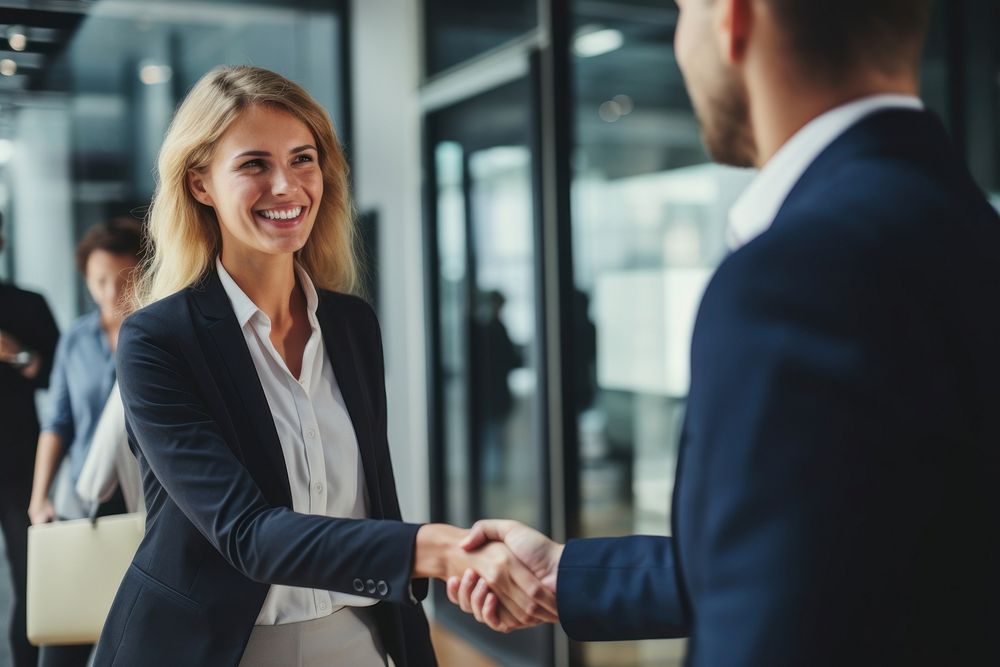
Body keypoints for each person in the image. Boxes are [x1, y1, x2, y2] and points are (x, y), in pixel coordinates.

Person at [451, 0, 1000, 664]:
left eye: (684, 8)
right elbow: (848, 556)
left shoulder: (796, 275)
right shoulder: (964, 228)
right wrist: (564, 573)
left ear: (733, 19)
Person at [93, 65, 555, 667]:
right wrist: (440, 549)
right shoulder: (157, 340)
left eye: (303, 158)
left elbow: (372, 501)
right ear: (201, 182)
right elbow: (247, 533)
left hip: (355, 638)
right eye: (254, 164)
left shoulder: (351, 324)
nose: (286, 186)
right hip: (214, 648)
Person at [27, 216, 142, 667]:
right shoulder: (75, 339)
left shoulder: (160, 335)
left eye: (124, 280)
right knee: (63, 638)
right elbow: (57, 423)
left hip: (142, 504)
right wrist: (39, 499)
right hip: (82, 503)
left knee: (130, 632)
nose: (111, 294)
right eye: (99, 281)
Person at [0, 211, 59, 667]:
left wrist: (14, 352)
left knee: (31, 578)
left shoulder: (27, 303)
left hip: (19, 462)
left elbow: (55, 380)